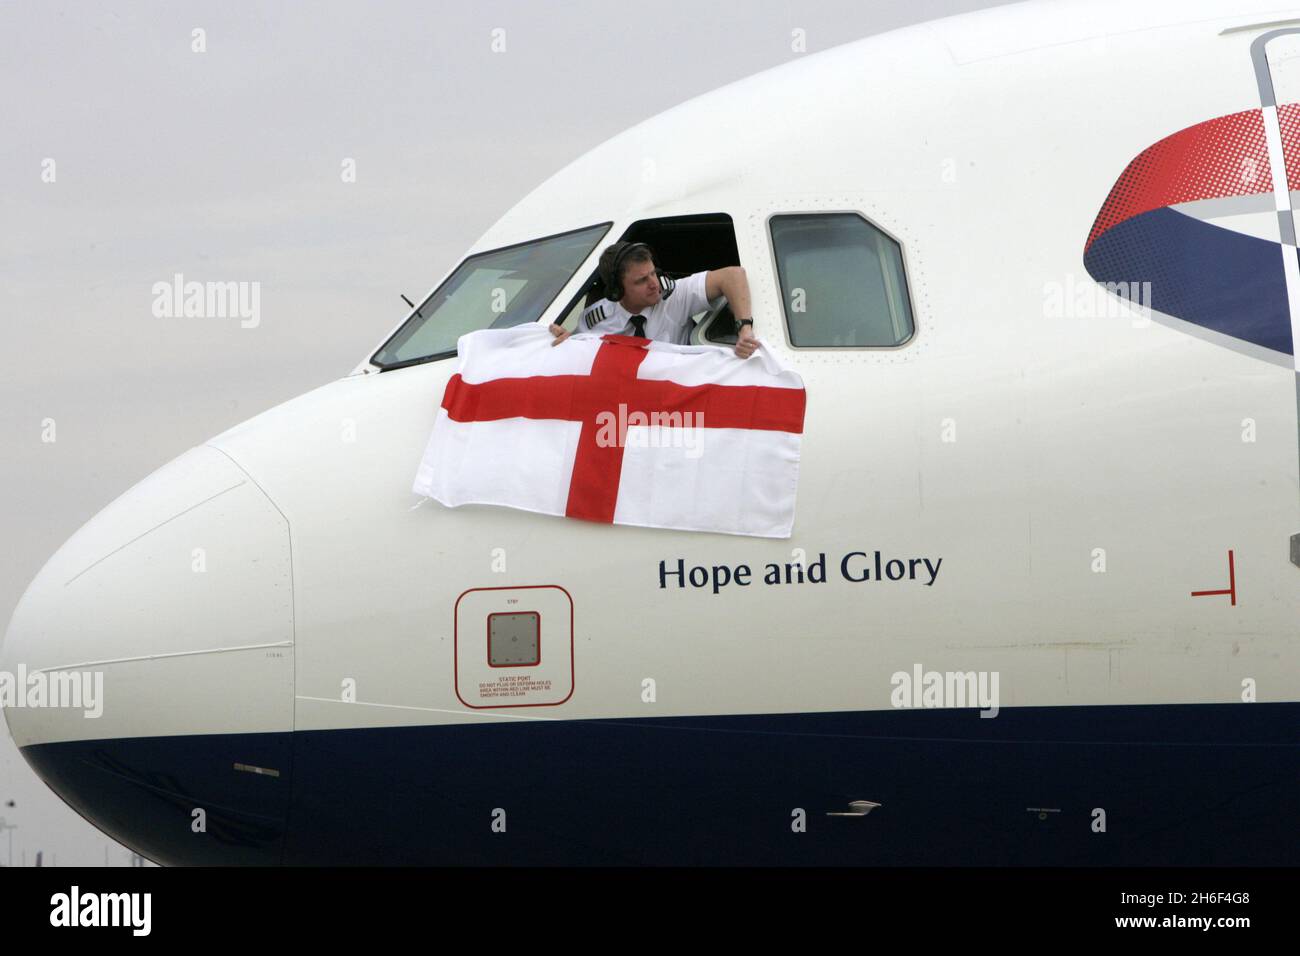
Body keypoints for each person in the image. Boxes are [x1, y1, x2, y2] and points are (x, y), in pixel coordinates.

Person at [548, 241, 759, 359]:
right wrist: (569, 344)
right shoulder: (595, 319)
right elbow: (579, 352)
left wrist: (744, 329)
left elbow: (733, 275)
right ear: (617, 291)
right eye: (641, 280)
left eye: (653, 273)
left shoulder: (673, 295)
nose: (654, 284)